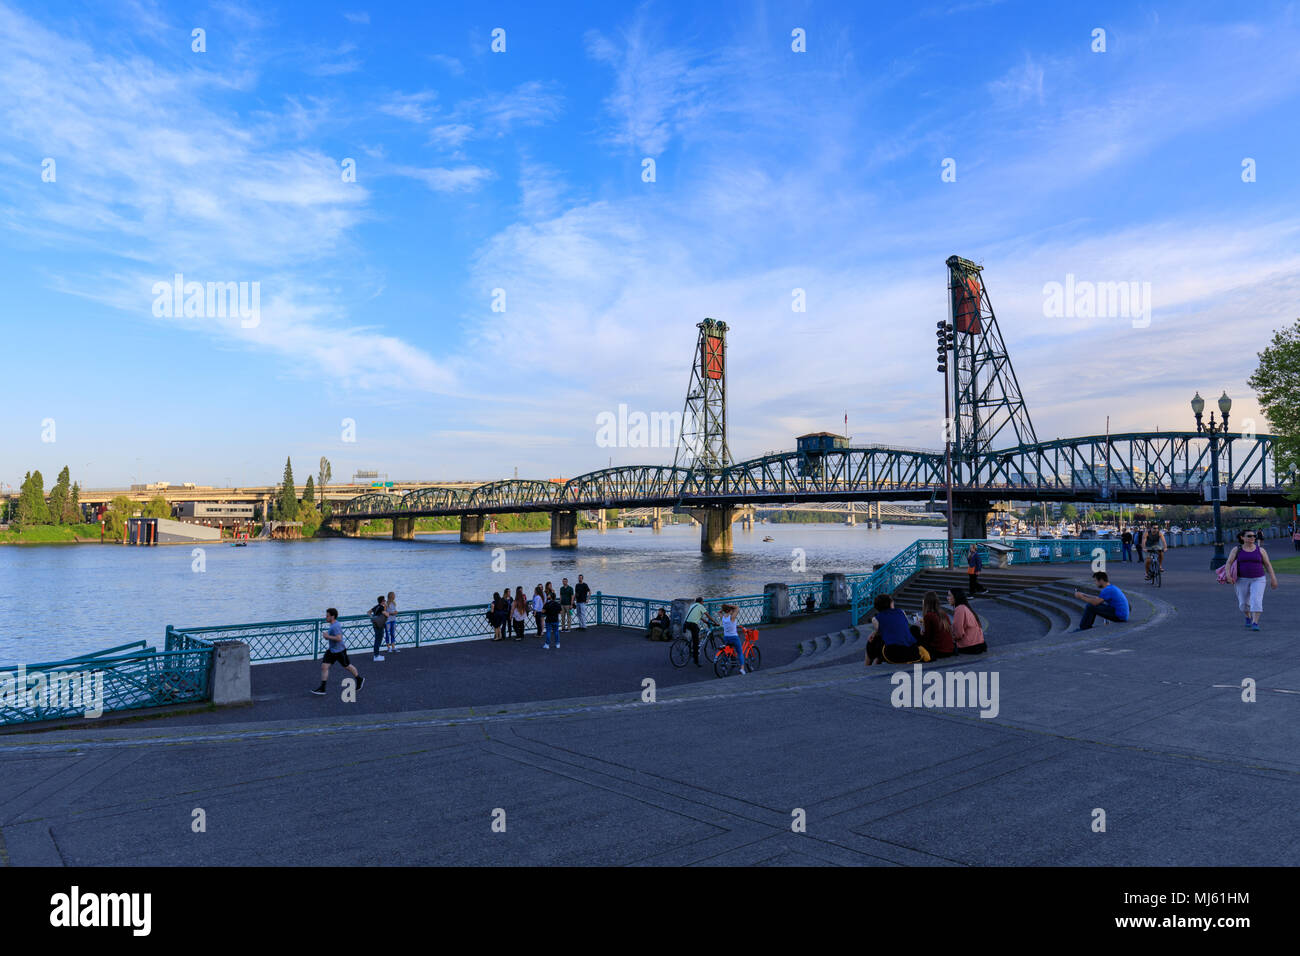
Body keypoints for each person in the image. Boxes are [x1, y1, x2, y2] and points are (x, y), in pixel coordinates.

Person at [1225, 530, 1279, 631]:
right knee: (1243, 602)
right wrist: (1228, 575)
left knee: (1256, 600)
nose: (1252, 538)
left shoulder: (1261, 550)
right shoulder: (1237, 549)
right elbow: (1228, 563)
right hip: (1241, 579)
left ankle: (1255, 622)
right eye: (1249, 536)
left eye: (1254, 536)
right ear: (1242, 537)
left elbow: (1267, 564)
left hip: (1258, 579)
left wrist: (1273, 578)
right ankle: (1248, 617)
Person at [312, 608, 364, 695]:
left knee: (347, 666)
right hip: (332, 651)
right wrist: (327, 636)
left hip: (339, 651)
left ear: (332, 616)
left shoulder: (336, 626)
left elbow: (339, 638)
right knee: (324, 666)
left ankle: (359, 679)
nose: (326, 617)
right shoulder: (333, 625)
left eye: (327, 616)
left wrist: (328, 637)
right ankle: (322, 688)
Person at [865, 594, 929, 665]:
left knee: (872, 641)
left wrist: (873, 633)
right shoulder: (901, 612)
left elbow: (882, 631)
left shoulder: (875, 619)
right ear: (890, 604)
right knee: (884, 639)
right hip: (913, 653)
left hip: (893, 655)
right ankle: (876, 662)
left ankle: (867, 665)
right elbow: (900, 627)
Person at [913, 590, 954, 658]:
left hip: (939, 650)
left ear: (926, 602)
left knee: (914, 630)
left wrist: (920, 630)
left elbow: (927, 637)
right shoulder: (943, 613)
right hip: (949, 649)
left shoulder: (929, 615)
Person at [948, 588, 986, 654]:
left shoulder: (959, 609)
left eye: (949, 595)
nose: (947, 598)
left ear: (956, 597)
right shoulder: (965, 607)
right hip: (979, 644)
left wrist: (951, 638)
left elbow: (959, 633)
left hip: (968, 646)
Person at [683, 596, 715, 667]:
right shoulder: (701, 606)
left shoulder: (693, 605)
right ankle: (696, 661)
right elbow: (708, 615)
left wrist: (706, 622)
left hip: (686, 623)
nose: (703, 603)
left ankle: (690, 646)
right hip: (692, 625)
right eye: (703, 602)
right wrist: (715, 622)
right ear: (700, 602)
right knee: (696, 644)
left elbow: (699, 617)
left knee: (696, 633)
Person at [719, 604, 746, 674]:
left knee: (727, 651)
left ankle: (724, 663)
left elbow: (719, 612)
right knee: (740, 653)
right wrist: (729, 605)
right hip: (734, 637)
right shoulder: (732, 617)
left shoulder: (723, 617)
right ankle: (742, 669)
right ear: (730, 611)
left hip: (726, 637)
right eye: (732, 610)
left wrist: (724, 609)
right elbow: (737, 607)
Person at [369, 595, 388, 661]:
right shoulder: (382, 608)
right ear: (382, 601)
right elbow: (387, 615)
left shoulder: (376, 607)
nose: (385, 601)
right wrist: (385, 607)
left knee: (377, 639)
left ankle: (376, 655)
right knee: (378, 640)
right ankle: (376, 656)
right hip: (380, 625)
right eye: (384, 600)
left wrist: (373, 618)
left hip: (375, 625)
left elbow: (368, 612)